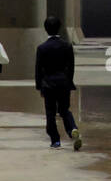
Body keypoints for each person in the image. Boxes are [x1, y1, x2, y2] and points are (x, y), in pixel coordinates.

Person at [34, 16, 81, 150]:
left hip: (48, 84)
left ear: (46, 29)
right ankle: (72, 128)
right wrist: (68, 81)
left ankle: (55, 140)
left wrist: (39, 86)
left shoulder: (42, 48)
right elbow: (71, 67)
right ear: (59, 28)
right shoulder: (67, 46)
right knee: (64, 110)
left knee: (50, 112)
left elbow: (38, 69)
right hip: (63, 83)